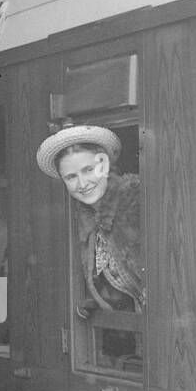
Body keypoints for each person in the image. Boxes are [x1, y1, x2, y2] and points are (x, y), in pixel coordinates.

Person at [36, 125, 144, 316]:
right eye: (71, 177)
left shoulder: (137, 200)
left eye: (88, 170)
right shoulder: (83, 221)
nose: (82, 184)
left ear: (104, 164)